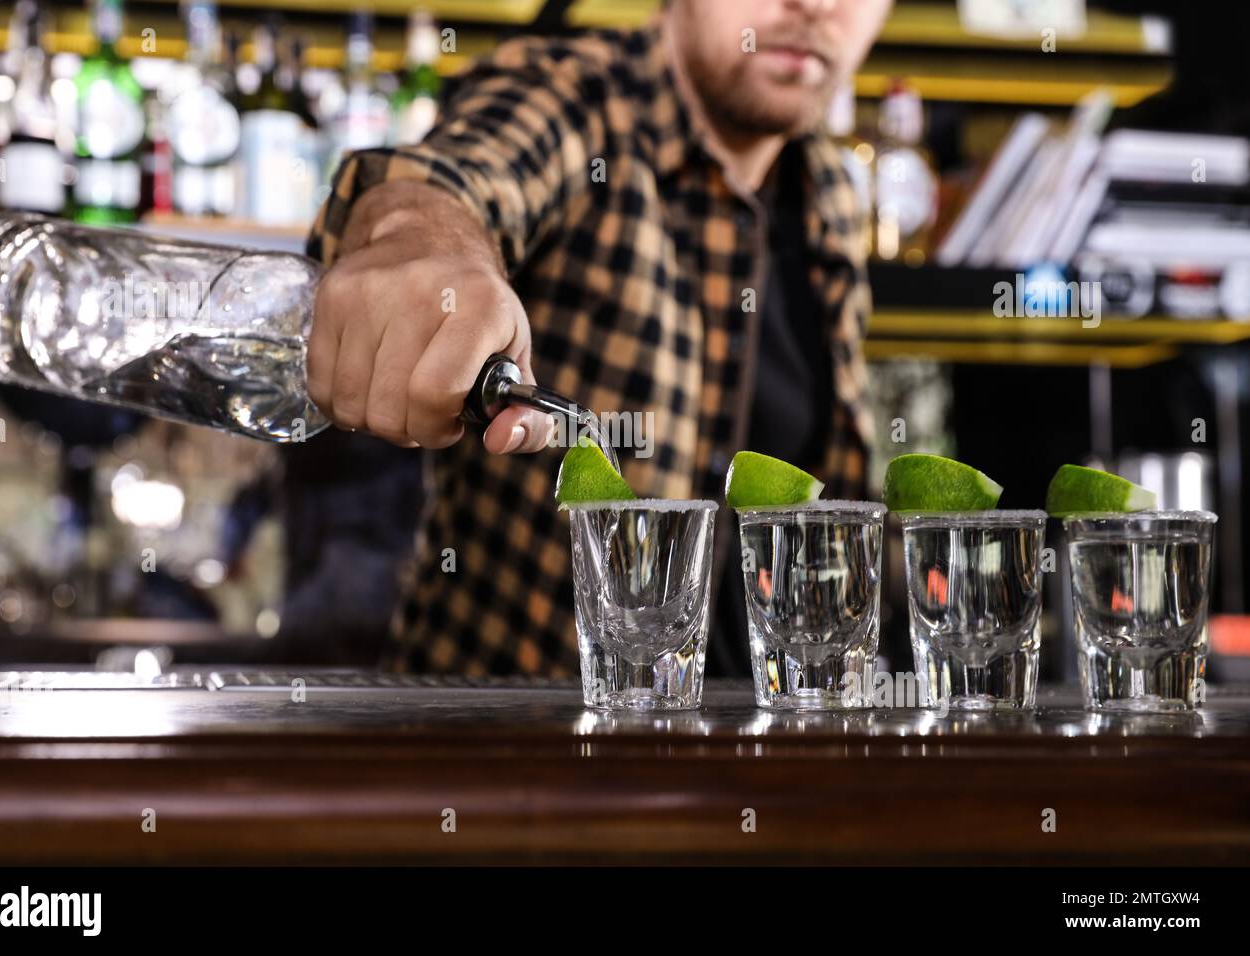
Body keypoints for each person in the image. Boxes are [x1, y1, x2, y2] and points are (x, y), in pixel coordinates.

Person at [306, 0, 891, 676]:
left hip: (759, 752)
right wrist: (428, 245)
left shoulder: (833, 195)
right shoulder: (575, 95)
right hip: (523, 753)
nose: (818, 5)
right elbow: (450, 179)